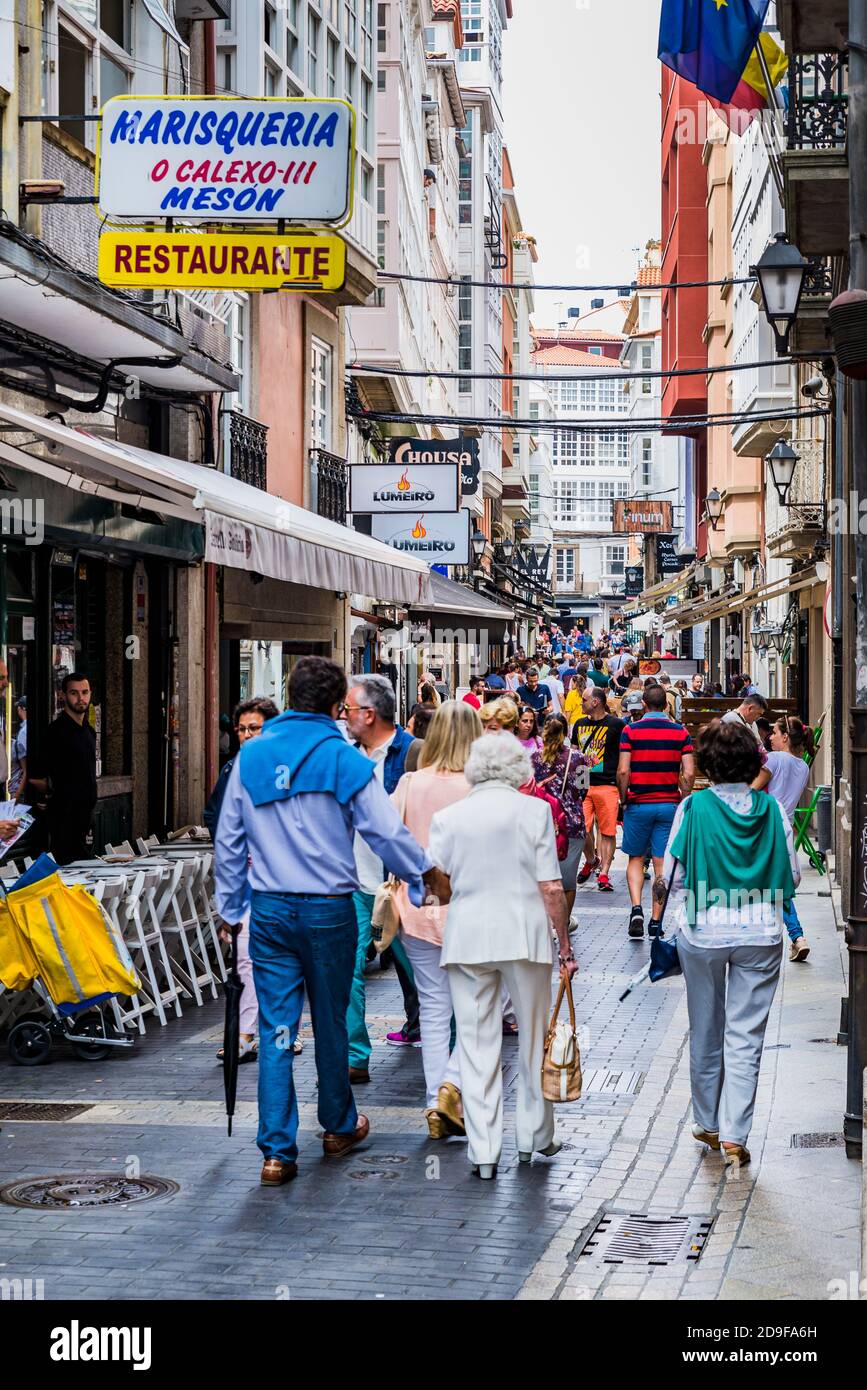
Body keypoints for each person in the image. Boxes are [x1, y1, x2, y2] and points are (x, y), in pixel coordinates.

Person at [215, 656, 448, 1186]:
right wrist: (422, 877)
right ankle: (338, 1125)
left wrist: (230, 911)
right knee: (329, 1019)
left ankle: (276, 1150)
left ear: (289, 695)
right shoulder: (344, 760)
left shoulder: (252, 757)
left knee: (277, 1027)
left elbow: (229, 841)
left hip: (269, 907)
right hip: (327, 909)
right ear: (335, 704)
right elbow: (384, 831)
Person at [428, 734, 578, 1179]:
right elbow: (551, 886)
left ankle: (484, 1149)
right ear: (519, 768)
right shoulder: (534, 811)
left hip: (468, 935)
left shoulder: (449, 817)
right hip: (524, 935)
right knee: (533, 1036)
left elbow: (437, 881)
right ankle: (532, 1137)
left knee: (475, 1045)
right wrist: (564, 946)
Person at [663, 720, 800, 1168]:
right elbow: (793, 876)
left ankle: (708, 1121)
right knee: (746, 1035)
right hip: (760, 933)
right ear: (751, 761)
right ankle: (736, 1135)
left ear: (708, 764)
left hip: (702, 931)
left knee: (706, 1028)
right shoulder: (772, 810)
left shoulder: (693, 808)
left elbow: (673, 877)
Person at [393, 702, 482, 1138]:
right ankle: (452, 1085)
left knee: (432, 1006)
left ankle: (435, 1103)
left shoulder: (409, 783)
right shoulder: (479, 787)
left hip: (417, 907)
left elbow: (388, 838)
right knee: (475, 1008)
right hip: (470, 907)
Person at [343, 675, 423, 1071]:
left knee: (426, 975)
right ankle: (355, 1057)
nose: (343, 717)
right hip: (357, 884)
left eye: (349, 710)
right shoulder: (347, 755)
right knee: (348, 972)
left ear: (369, 714)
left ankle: (456, 1063)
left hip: (402, 886)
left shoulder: (414, 754)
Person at [206, 697, 281, 1063]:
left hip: (283, 885)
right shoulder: (230, 771)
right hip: (248, 882)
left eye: (255, 728)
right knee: (245, 960)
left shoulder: (285, 770)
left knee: (282, 965)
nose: (247, 735)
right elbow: (217, 821)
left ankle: (283, 1033)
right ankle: (245, 1034)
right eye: (242, 729)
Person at [616, 684, 695, 939]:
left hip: (638, 803)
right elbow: (690, 772)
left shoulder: (630, 731)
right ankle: (655, 921)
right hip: (668, 804)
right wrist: (683, 795)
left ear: (645, 706)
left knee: (636, 859)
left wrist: (623, 797)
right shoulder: (680, 732)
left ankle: (636, 908)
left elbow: (623, 771)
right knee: (661, 864)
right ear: (667, 706)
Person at [752, 715, 814, 962]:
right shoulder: (804, 766)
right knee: (775, 885)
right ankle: (793, 937)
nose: (770, 736)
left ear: (786, 737)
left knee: (773, 886)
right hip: (786, 828)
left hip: (765, 826)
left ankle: (796, 936)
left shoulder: (774, 760)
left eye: (775, 733)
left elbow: (752, 789)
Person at [531, 714, 589, 922]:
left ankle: (546, 921)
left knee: (543, 877)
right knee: (567, 881)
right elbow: (584, 788)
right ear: (566, 733)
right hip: (572, 824)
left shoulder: (535, 759)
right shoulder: (578, 758)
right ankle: (563, 923)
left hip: (541, 822)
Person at [571, 688, 624, 892]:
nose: (581, 703)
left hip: (607, 783)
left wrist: (621, 785)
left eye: (584, 700)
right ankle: (592, 859)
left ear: (595, 702)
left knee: (608, 830)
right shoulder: (580, 724)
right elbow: (575, 753)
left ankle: (604, 873)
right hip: (583, 782)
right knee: (582, 829)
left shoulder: (616, 725)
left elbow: (623, 755)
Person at [45, 672, 97, 866]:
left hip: (88, 815)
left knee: (87, 865)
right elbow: (41, 775)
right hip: (64, 817)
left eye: (85, 692)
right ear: (63, 695)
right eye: (74, 693)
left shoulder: (90, 732)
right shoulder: (55, 732)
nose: (80, 698)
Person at [9, 696, 28, 804]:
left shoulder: (23, 733)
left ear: (21, 709)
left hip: (20, 791)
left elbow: (26, 770)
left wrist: (16, 796)